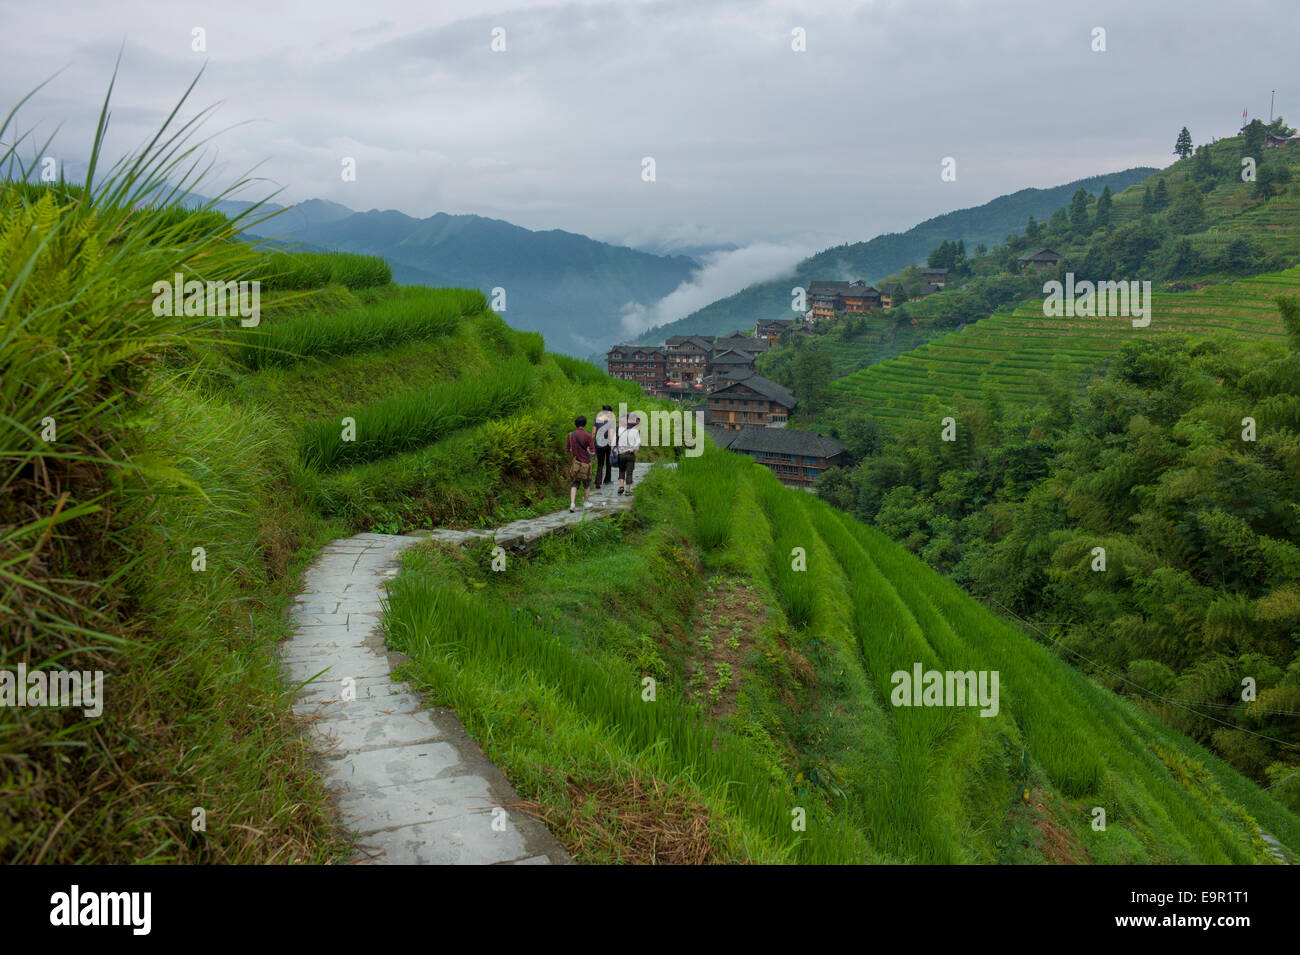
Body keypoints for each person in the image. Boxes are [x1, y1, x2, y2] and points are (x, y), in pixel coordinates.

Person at [565, 415, 596, 512]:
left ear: (576, 424)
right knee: (587, 484)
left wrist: (574, 451)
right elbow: (592, 452)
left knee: (574, 484)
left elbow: (566, 450)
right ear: (585, 424)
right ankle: (586, 503)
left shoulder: (570, 435)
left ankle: (572, 504)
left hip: (575, 464)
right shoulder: (588, 436)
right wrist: (588, 451)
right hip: (585, 464)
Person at [616, 412, 642, 495]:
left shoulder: (620, 430)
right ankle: (627, 491)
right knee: (629, 472)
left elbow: (615, 441)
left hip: (621, 454)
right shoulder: (635, 431)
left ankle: (621, 486)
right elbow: (638, 441)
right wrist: (633, 449)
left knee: (621, 470)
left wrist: (617, 449)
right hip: (630, 454)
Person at [592, 404, 615, 488]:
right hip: (607, 445)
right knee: (608, 463)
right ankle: (607, 480)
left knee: (600, 463)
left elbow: (593, 433)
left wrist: (591, 443)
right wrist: (612, 447)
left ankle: (598, 481)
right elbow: (611, 435)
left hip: (598, 444)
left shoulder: (597, 420)